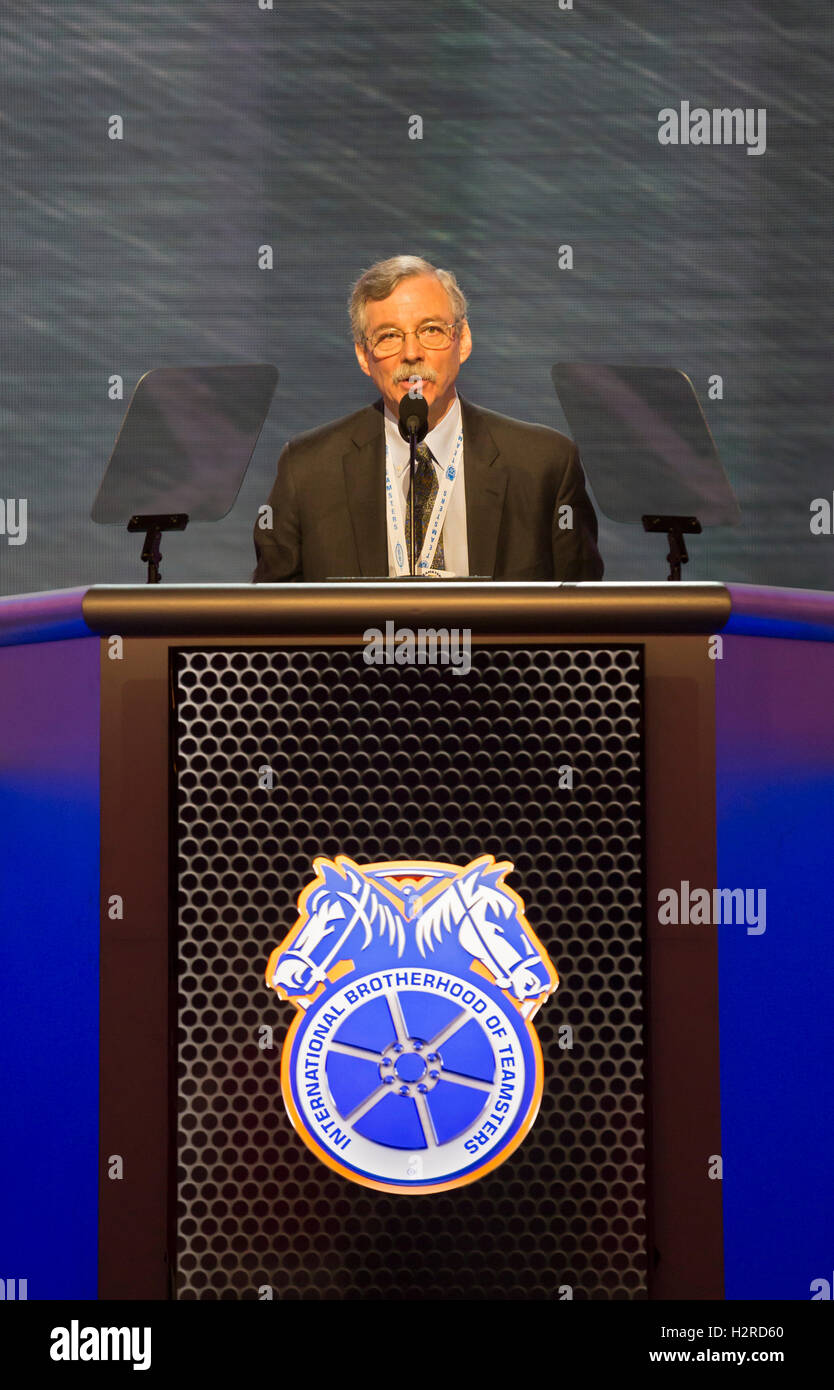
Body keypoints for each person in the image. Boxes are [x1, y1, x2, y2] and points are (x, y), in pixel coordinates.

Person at [252, 255, 603, 582]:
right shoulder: (307, 470)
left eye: (430, 330)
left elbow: (586, 621)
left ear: (462, 340)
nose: (411, 353)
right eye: (388, 336)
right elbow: (270, 624)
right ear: (363, 356)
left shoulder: (545, 465)